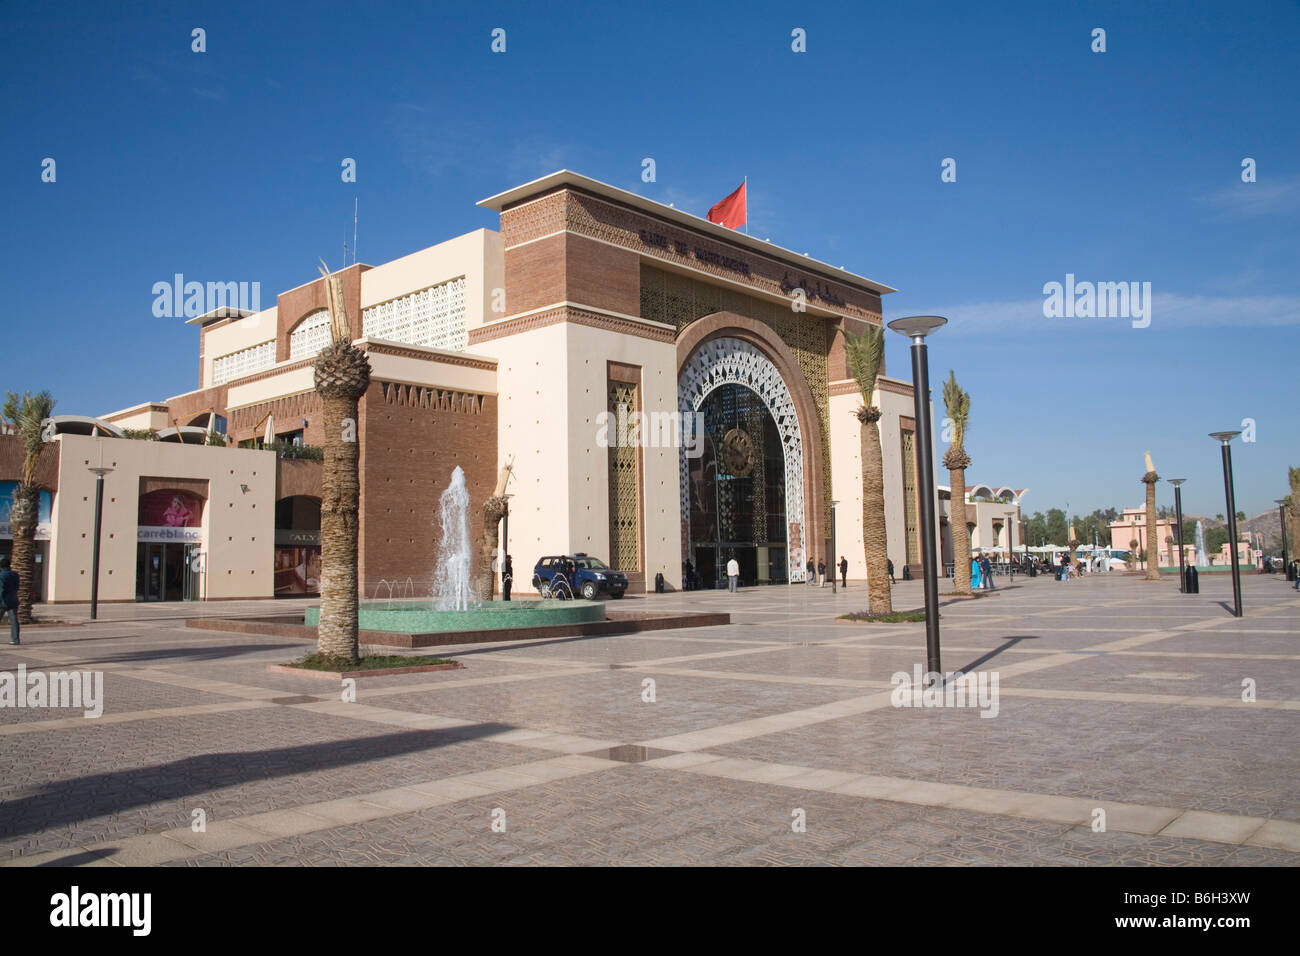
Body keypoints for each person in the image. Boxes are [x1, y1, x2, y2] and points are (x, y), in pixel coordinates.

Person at [0, 557, 19, 645]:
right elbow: (17, 587)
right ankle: (15, 639)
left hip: (3, 601)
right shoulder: (15, 574)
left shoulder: (2, 575)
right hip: (13, 600)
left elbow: (1, 589)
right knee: (14, 621)